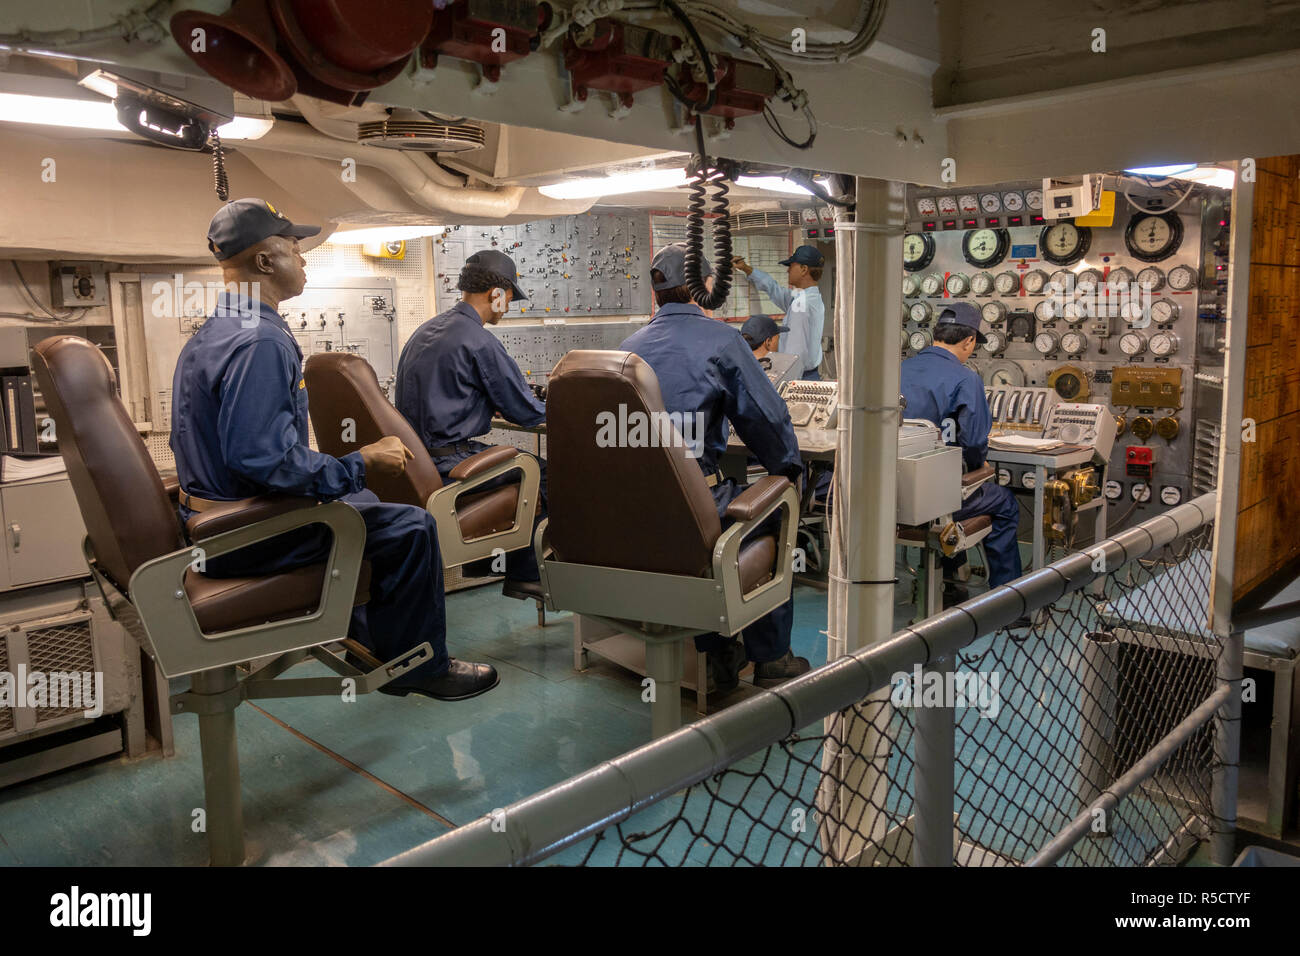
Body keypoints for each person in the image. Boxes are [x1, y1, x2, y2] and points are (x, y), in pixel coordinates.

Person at [171, 198, 498, 700]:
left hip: (211, 519)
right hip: (244, 536)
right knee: (412, 527)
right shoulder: (261, 342)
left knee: (362, 503)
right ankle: (421, 666)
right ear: (264, 260)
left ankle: (371, 642)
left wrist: (347, 477)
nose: (303, 258)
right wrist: (360, 462)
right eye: (294, 247)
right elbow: (261, 459)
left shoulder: (215, 332)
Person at [621, 241, 811, 693]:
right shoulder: (723, 341)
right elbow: (768, 420)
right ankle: (772, 656)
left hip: (638, 512)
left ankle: (720, 655)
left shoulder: (629, 348)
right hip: (695, 504)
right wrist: (789, 472)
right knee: (773, 513)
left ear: (656, 293)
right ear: (705, 286)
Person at [394, 249, 547, 597]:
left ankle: (491, 564)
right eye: (509, 298)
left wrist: (483, 403)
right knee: (545, 474)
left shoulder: (427, 331)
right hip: (451, 460)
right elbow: (524, 412)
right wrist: (566, 407)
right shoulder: (480, 341)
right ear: (496, 293)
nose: (507, 307)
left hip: (419, 461)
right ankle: (525, 574)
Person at [899, 302, 1026, 617]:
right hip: (933, 501)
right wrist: (981, 467)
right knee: (1003, 502)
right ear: (969, 341)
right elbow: (974, 442)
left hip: (891, 493)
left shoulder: (897, 368)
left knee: (950, 491)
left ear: (936, 334)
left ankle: (952, 583)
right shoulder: (965, 379)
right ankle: (1009, 606)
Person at [733, 244, 826, 380]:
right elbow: (774, 289)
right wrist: (747, 269)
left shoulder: (802, 305)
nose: (788, 271)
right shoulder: (807, 298)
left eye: (791, 266)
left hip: (799, 377)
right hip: (808, 374)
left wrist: (781, 383)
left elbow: (794, 356)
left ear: (804, 269)